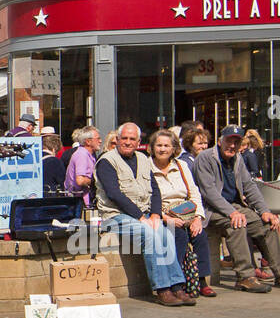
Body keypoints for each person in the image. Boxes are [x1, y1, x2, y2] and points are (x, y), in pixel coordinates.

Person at [194, 125, 280, 293]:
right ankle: (245, 276)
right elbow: (208, 192)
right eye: (229, 141)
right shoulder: (205, 158)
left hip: (235, 205)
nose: (232, 145)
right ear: (220, 140)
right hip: (209, 209)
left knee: (267, 225)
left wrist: (265, 211)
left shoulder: (238, 159)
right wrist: (232, 212)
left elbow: (250, 187)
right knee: (237, 224)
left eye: (236, 142)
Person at [94, 123, 194, 305]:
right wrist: (141, 217)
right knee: (149, 234)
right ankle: (162, 289)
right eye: (124, 138)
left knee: (165, 233)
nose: (127, 142)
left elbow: (155, 189)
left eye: (132, 139)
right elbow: (114, 194)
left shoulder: (143, 159)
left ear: (138, 142)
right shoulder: (107, 161)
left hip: (144, 214)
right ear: (117, 140)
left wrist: (155, 215)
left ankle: (177, 286)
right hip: (115, 215)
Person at [149, 128, 215, 297]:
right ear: (152, 147)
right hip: (162, 213)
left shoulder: (181, 165)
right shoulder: (146, 167)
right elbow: (145, 199)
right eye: (159, 145)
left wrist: (198, 218)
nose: (162, 149)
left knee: (200, 235)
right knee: (178, 235)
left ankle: (200, 281)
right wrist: (165, 218)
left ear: (174, 148)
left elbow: (194, 193)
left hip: (186, 212)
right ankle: (176, 283)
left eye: (166, 145)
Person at [64, 126, 101, 206]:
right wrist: (96, 181)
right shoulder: (82, 154)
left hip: (83, 201)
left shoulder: (90, 155)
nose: (100, 141)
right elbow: (80, 180)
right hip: (79, 203)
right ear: (88, 141)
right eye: (98, 139)